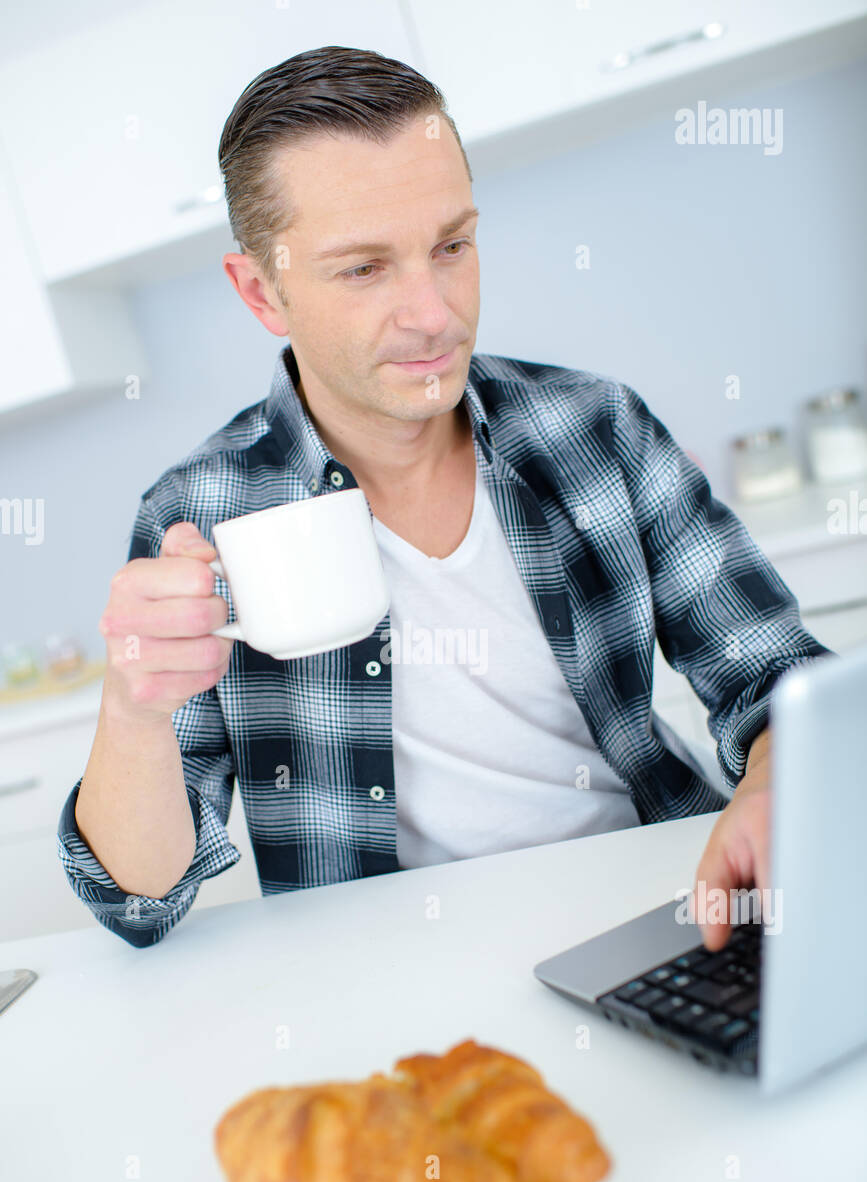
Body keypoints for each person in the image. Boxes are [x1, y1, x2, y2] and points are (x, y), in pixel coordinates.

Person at [57, 46, 831, 949]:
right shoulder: (197, 515)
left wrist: (773, 791)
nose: (432, 312)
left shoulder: (595, 427)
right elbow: (138, 903)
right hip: (386, 973)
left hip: (663, 905)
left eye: (451, 246)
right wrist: (134, 711)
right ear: (262, 291)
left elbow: (778, 679)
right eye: (363, 269)